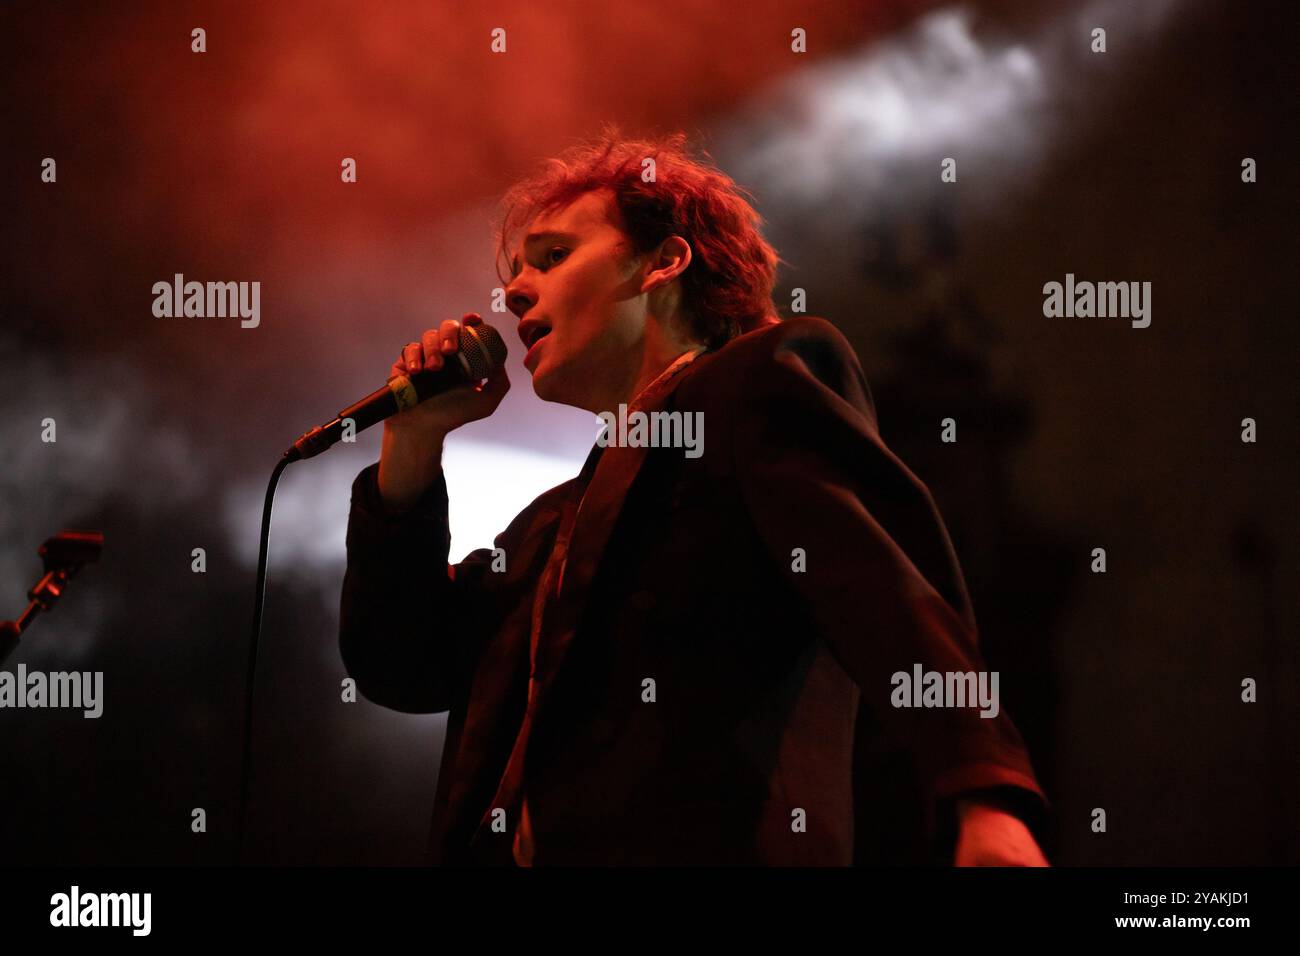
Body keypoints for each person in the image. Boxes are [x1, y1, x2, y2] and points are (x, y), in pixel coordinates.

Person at [339, 129, 1049, 866]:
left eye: (553, 258)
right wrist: (416, 442)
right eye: (520, 271)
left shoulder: (757, 386)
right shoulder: (547, 526)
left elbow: (887, 589)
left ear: (664, 262)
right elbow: (403, 664)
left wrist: (986, 795)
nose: (515, 290)